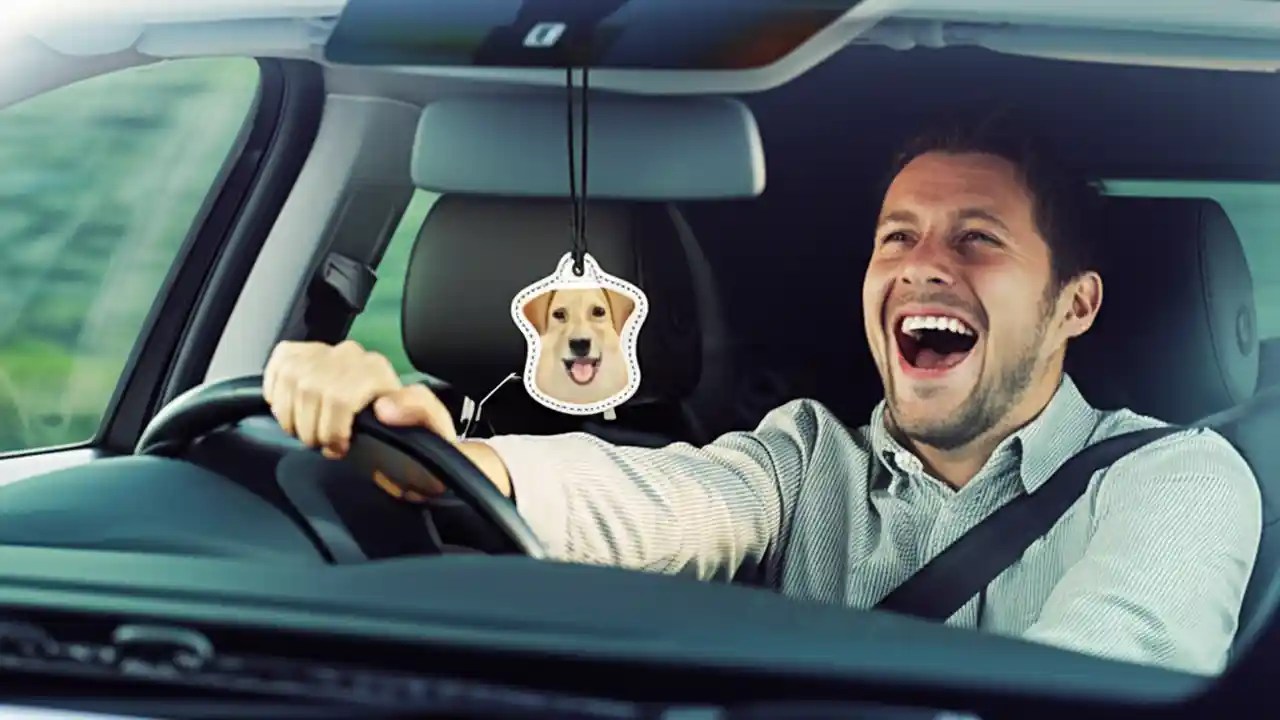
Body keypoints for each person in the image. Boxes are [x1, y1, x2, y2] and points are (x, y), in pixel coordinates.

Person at [263, 119, 1261, 676]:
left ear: (1072, 306)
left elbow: (1105, 685)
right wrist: (428, 450)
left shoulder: (1173, 480)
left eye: (974, 240)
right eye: (895, 237)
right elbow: (643, 501)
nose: (919, 267)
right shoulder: (798, 458)